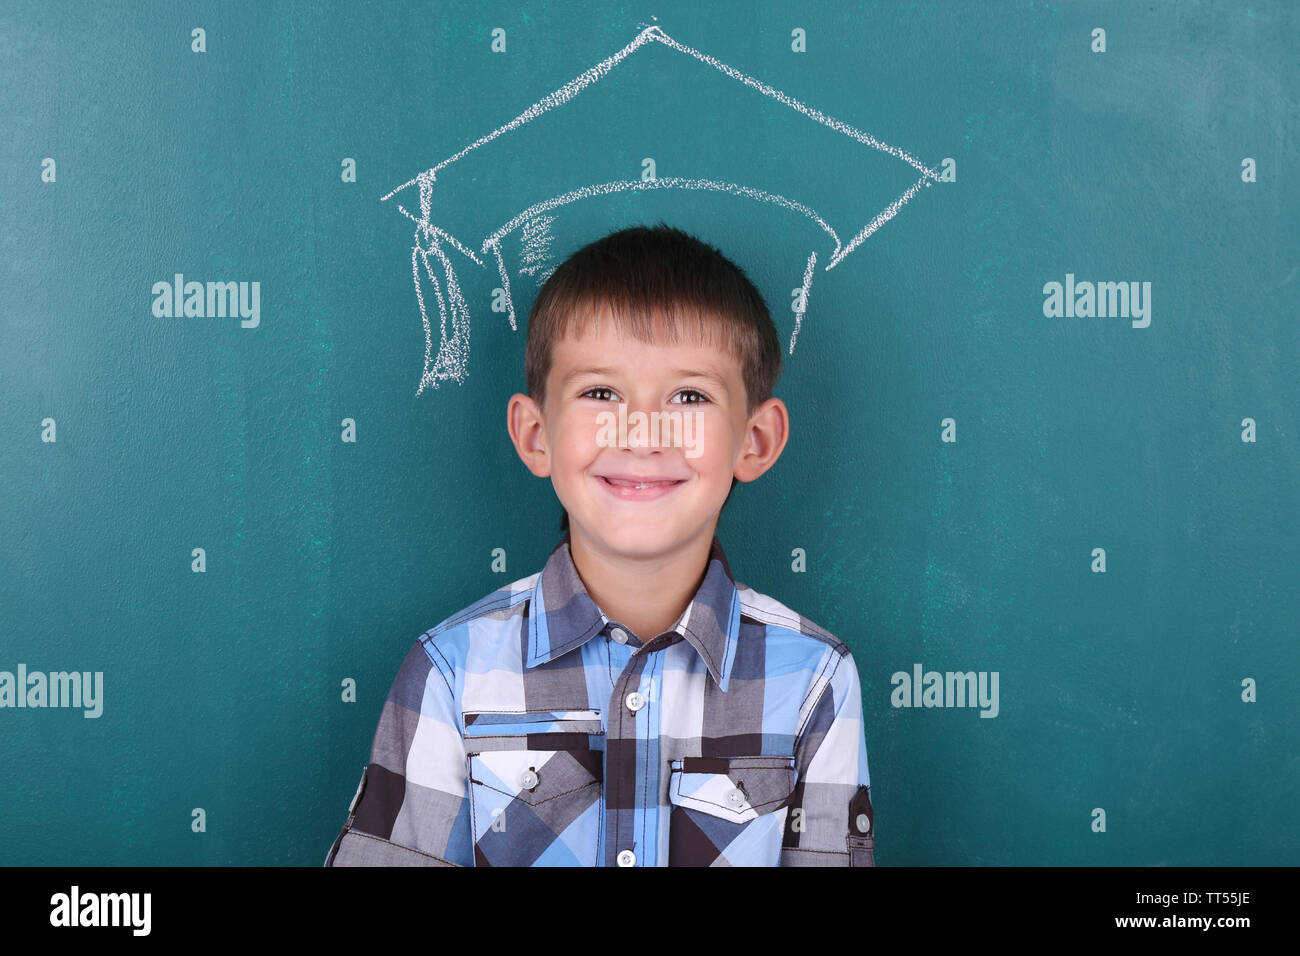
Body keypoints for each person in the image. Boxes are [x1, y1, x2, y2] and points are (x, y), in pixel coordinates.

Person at [325, 222, 875, 866]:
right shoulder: (453, 672)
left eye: (689, 395)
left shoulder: (815, 680)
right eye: (601, 393)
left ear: (754, 440)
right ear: (536, 435)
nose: (642, 434)